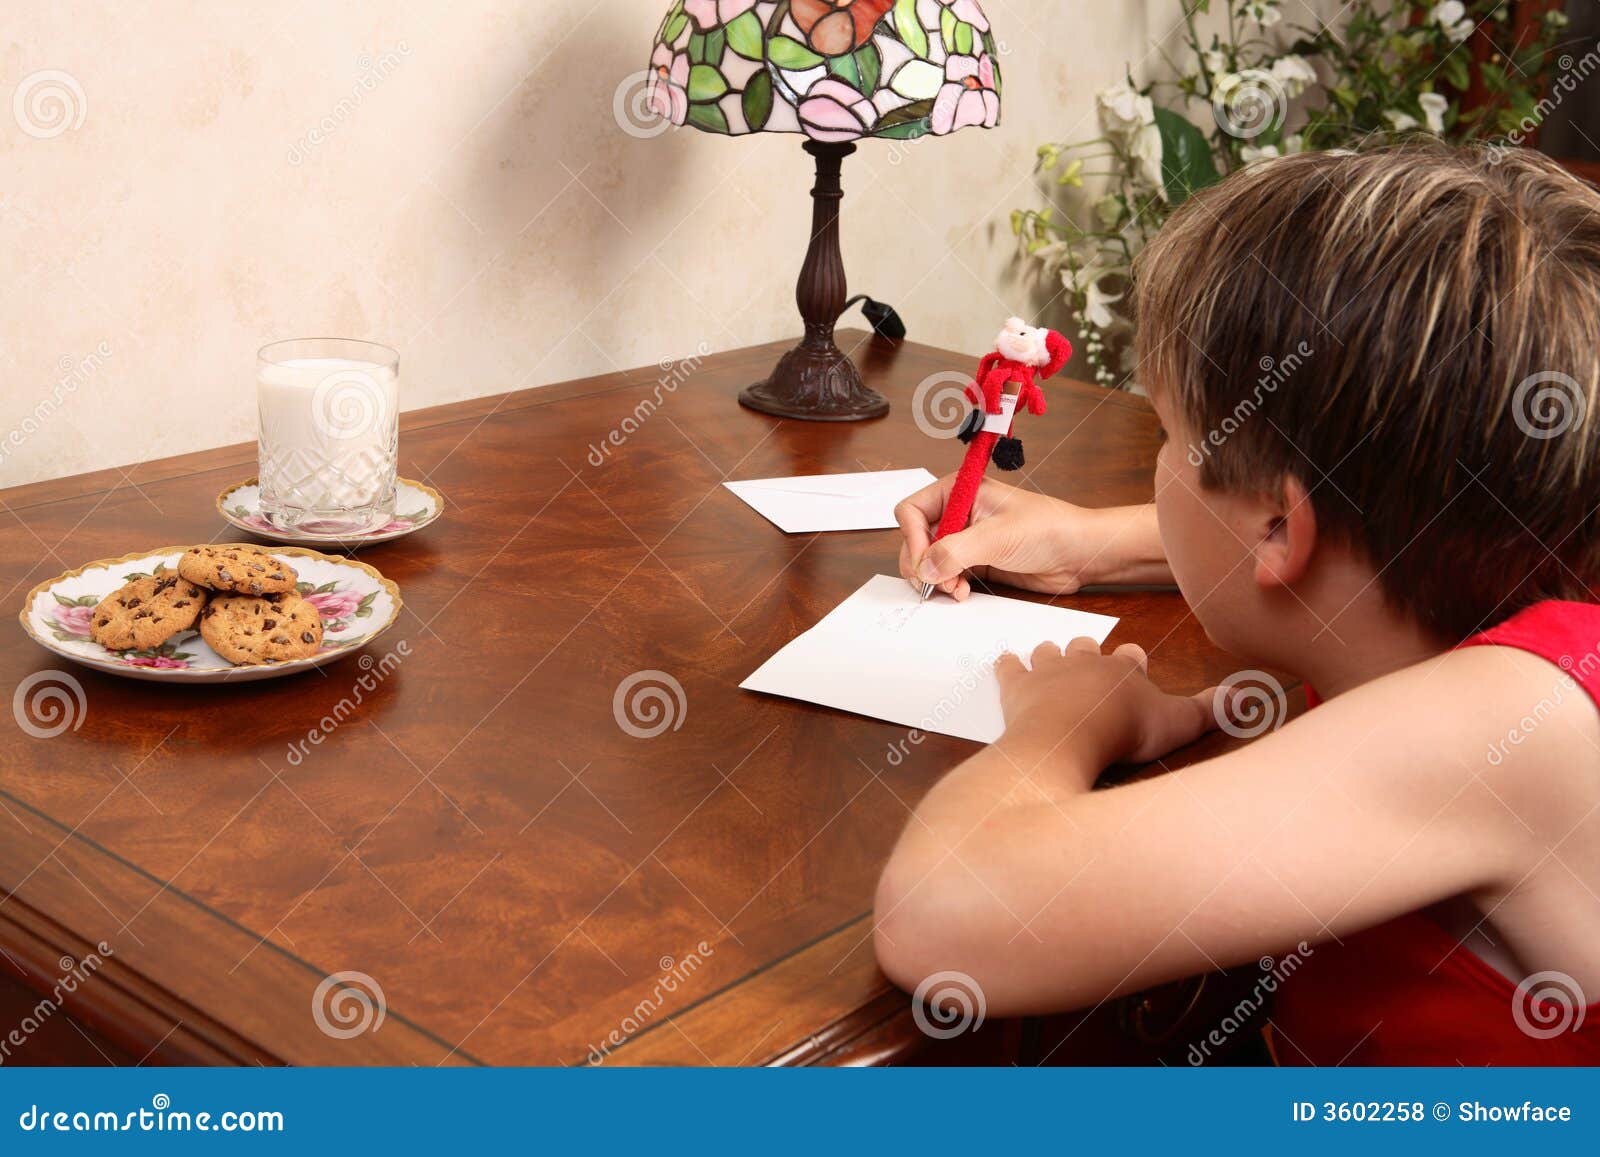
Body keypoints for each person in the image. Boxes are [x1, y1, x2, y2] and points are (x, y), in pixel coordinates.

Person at [875, 144, 1600, 1064]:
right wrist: (1094, 539)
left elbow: (939, 918)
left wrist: (1063, 723)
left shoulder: (1510, 731)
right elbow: (1344, 534)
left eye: (1173, 434)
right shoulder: (1543, 564)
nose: (1166, 459)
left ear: (1275, 525)